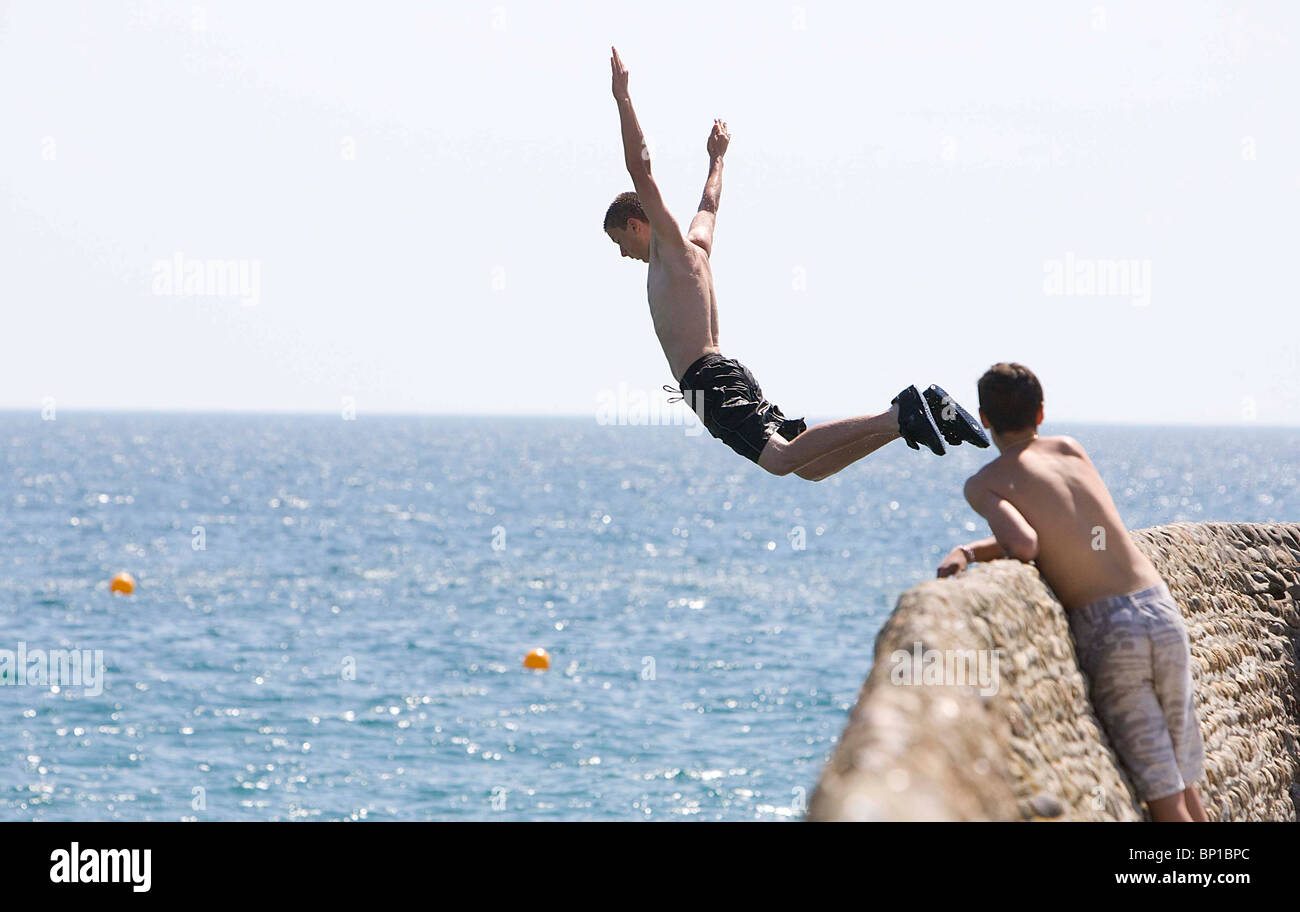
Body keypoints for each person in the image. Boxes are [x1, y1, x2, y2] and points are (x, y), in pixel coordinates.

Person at [604, 47, 987, 480]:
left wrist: (623, 99)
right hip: (722, 373)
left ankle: (898, 416)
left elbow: (642, 169)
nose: (621, 253)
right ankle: (910, 418)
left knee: (784, 459)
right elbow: (709, 204)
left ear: (636, 224)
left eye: (619, 241)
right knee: (808, 468)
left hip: (707, 381)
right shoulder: (695, 246)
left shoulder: (671, 250)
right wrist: (717, 159)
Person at [938, 362, 1207, 822]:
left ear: (983, 418)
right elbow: (1076, 527)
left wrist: (969, 551)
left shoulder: (983, 483)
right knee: (1187, 787)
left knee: (1163, 799)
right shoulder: (1070, 448)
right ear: (1041, 412)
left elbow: (1025, 543)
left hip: (1109, 627)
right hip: (1158, 606)